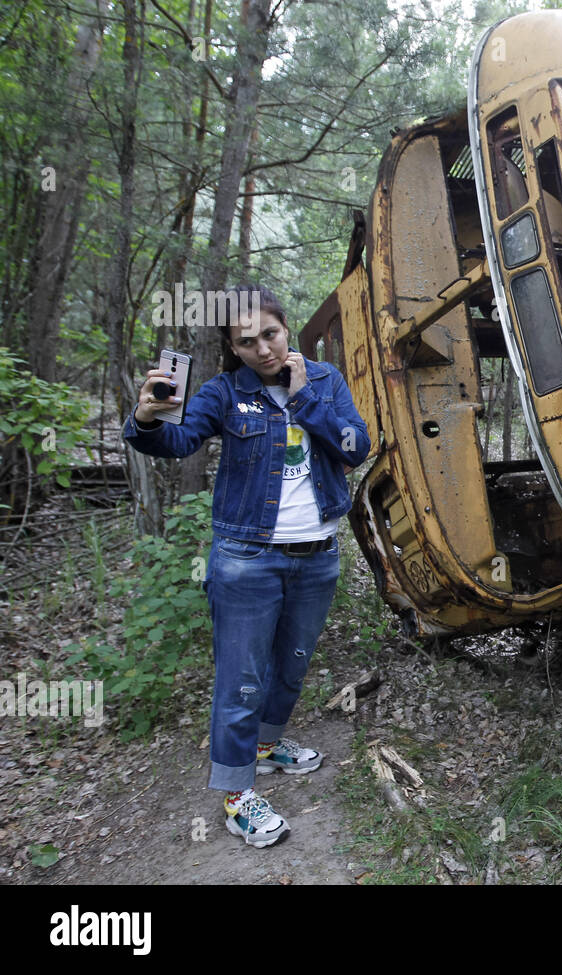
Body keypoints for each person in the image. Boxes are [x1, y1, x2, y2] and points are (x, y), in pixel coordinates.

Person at [123, 284, 370, 848]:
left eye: (270, 334)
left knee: (291, 666)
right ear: (232, 348)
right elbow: (178, 441)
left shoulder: (326, 381)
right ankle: (237, 796)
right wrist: (146, 418)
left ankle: (266, 747)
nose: (262, 349)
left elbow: (356, 447)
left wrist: (306, 399)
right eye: (246, 341)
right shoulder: (224, 393)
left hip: (317, 556)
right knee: (242, 680)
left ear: (287, 330)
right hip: (247, 560)